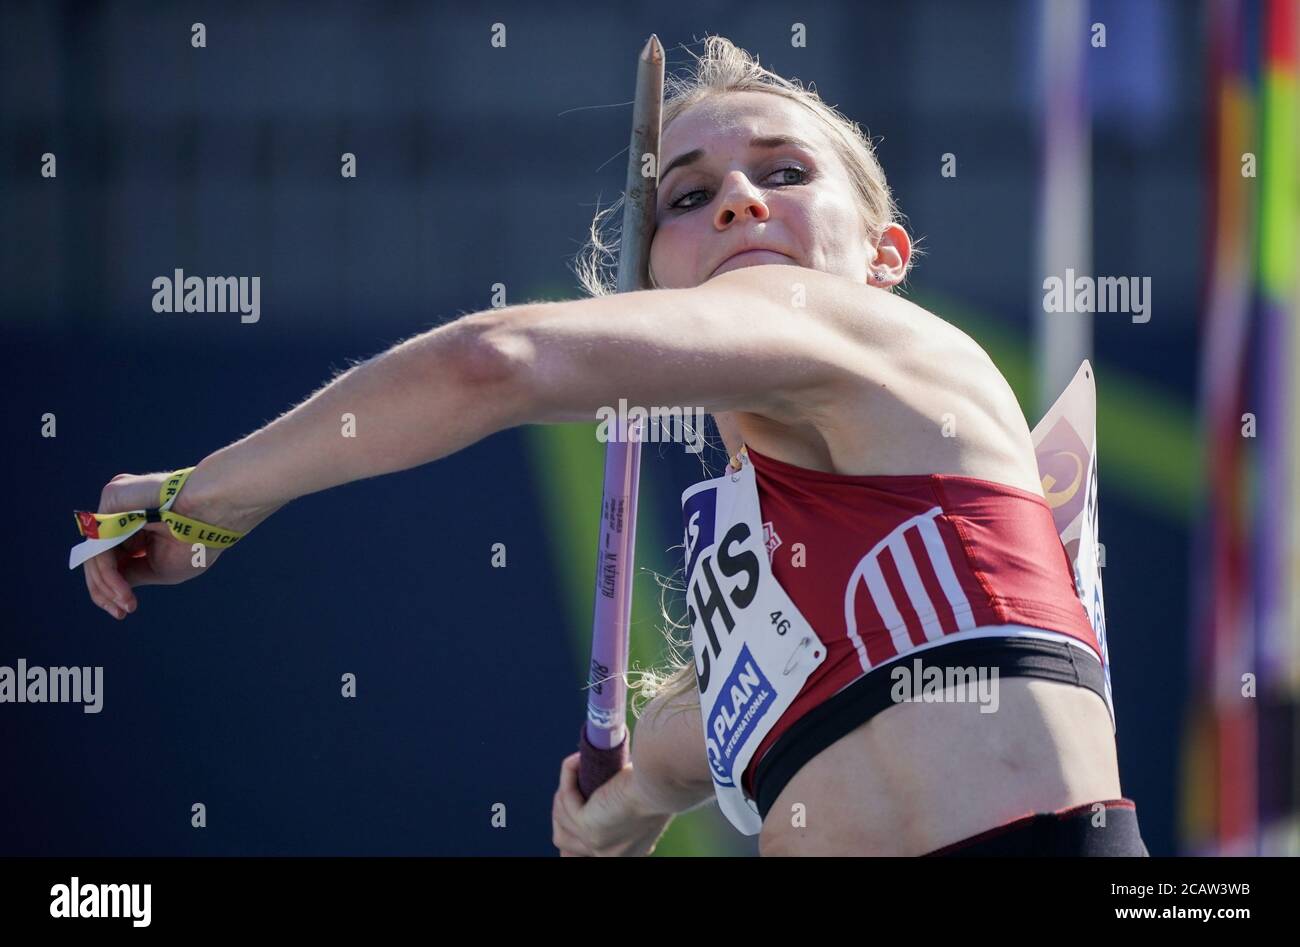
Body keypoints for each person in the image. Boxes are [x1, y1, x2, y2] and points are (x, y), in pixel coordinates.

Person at [79, 35, 1145, 857]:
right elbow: (715, 722)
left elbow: (491, 361)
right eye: (688, 195)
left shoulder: (867, 334)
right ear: (654, 292)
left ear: (882, 257)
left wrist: (203, 496)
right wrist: (624, 799)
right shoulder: (770, 521)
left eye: (783, 172)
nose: (737, 197)